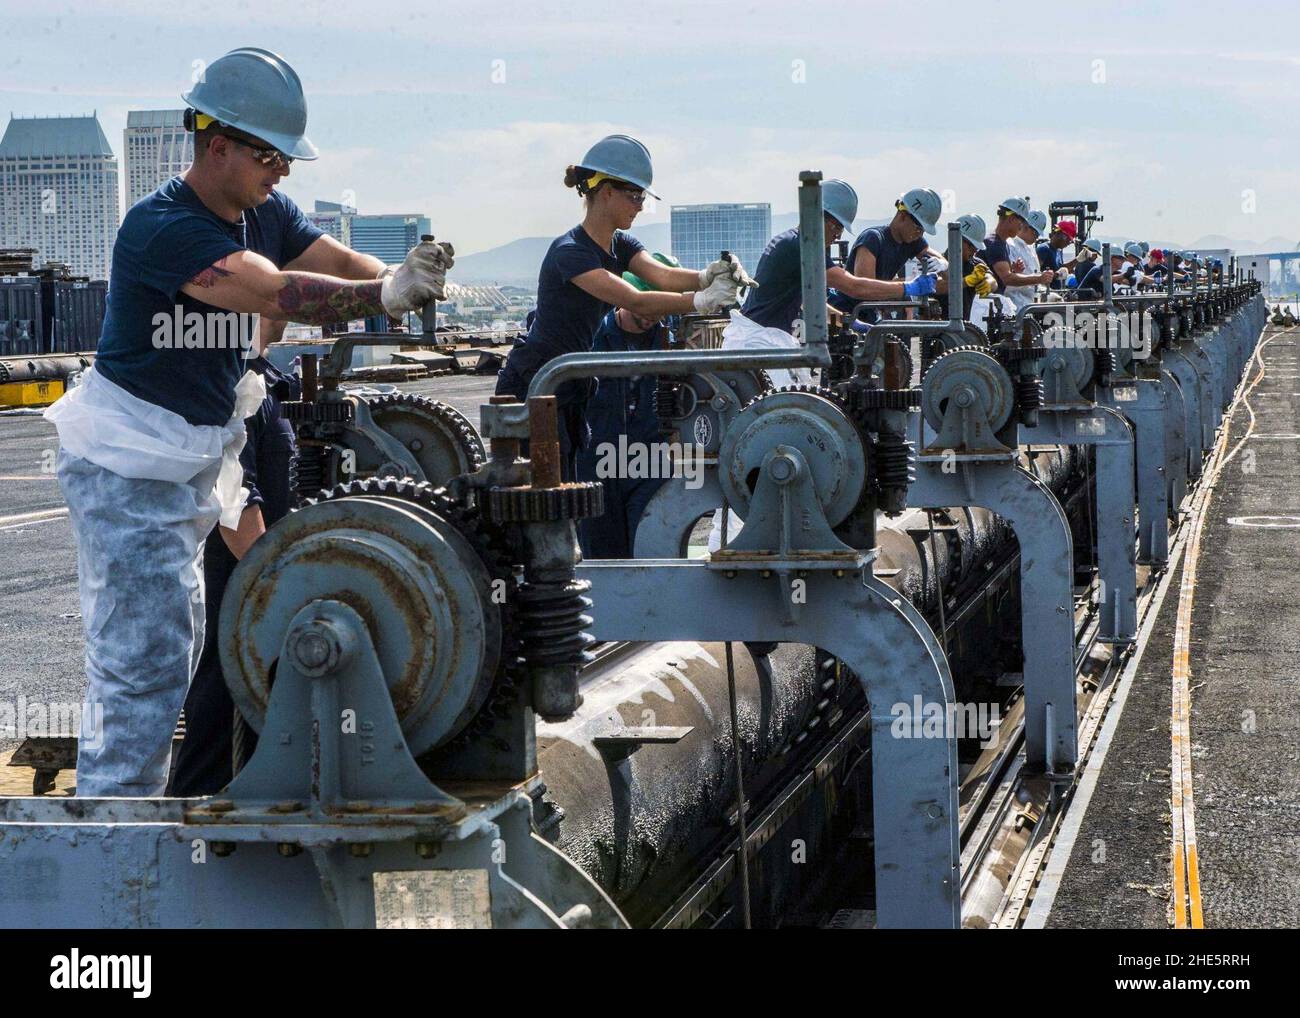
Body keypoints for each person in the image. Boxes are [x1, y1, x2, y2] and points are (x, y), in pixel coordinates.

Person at [45, 47, 451, 796]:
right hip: (128, 468)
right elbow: (277, 294)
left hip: (197, 455)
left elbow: (339, 262)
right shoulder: (163, 228)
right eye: (270, 154)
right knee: (141, 671)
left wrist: (403, 276)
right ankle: (112, 848)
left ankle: (139, 831)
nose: (283, 171)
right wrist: (384, 296)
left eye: (288, 157)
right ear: (216, 144)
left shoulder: (263, 211)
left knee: (188, 643)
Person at [496, 134, 743, 479]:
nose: (640, 205)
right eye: (634, 195)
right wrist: (701, 300)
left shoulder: (620, 243)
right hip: (534, 382)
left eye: (641, 196)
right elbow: (635, 299)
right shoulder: (571, 251)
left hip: (567, 379)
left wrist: (708, 275)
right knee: (540, 489)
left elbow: (663, 276)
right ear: (606, 192)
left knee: (565, 480)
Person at [169, 355, 297, 795]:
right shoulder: (235, 386)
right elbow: (236, 505)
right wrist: (286, 593)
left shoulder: (270, 383)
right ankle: (182, 840)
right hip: (246, 602)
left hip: (265, 597)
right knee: (220, 716)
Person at [574, 258, 677, 559]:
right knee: (602, 558)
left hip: (651, 460)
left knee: (651, 548)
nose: (654, 316)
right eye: (648, 306)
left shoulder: (672, 341)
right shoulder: (593, 338)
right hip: (598, 461)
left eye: (662, 309)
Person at [828, 187, 947, 321]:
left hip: (871, 314)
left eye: (923, 231)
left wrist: (943, 265)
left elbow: (946, 273)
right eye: (919, 228)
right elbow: (864, 290)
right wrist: (909, 285)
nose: (920, 234)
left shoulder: (913, 242)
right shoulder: (873, 239)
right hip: (847, 312)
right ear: (903, 216)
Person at [979, 197, 1056, 295]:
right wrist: (1039, 278)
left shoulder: (1002, 243)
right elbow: (1007, 279)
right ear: (1011, 219)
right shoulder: (994, 243)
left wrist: (1014, 270)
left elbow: (1002, 276)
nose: (1021, 228)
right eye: (1021, 224)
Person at [1003, 208, 1047, 311]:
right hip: (1015, 304)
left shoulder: (1030, 249)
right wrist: (1037, 280)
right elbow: (1009, 281)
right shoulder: (1010, 246)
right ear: (1026, 227)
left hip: (1030, 302)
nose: (1036, 238)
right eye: (1035, 234)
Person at [1037, 219, 1078, 289]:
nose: (1068, 244)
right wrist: (1056, 275)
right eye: (1069, 240)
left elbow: (1061, 268)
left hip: (1054, 292)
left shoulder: (1058, 251)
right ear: (1062, 236)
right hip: (1045, 294)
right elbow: (1035, 274)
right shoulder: (1044, 249)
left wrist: (1078, 259)